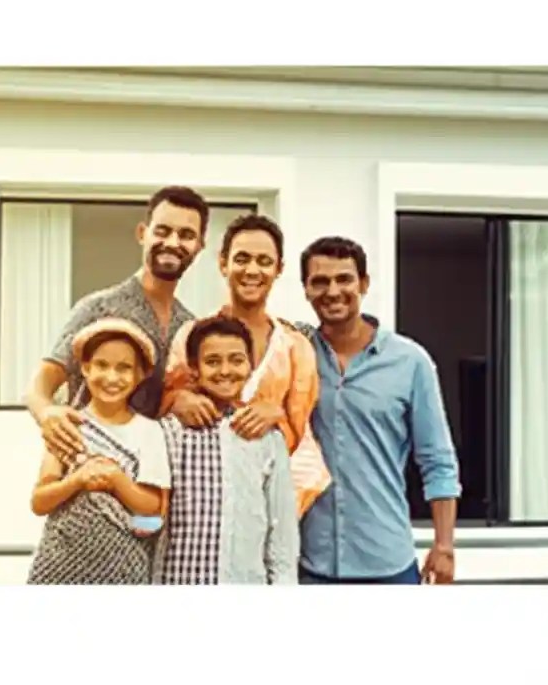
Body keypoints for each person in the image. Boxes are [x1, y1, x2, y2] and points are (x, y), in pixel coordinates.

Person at [295, 236, 461, 585]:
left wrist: (444, 546)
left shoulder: (410, 362)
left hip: (387, 563)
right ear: (306, 289)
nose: (333, 290)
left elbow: (437, 461)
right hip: (309, 563)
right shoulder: (295, 355)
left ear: (364, 284)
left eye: (344, 279)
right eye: (320, 281)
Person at [161, 213, 331, 518]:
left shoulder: (295, 347)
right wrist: (177, 399)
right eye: (242, 258)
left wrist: (275, 414)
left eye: (264, 261)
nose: (252, 270)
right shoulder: (191, 336)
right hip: (200, 504)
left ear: (279, 269)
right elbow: (162, 407)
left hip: (271, 505)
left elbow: (298, 424)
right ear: (223, 263)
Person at [25, 185, 209, 465]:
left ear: (200, 246)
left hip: (151, 484)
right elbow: (43, 381)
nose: (172, 242)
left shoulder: (190, 330)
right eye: (162, 231)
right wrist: (47, 412)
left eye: (186, 235)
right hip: (88, 474)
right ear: (142, 234)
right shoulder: (98, 308)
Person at [154, 316, 299, 585]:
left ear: (251, 366)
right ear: (194, 369)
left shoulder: (266, 438)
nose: (225, 370)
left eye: (236, 360)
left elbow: (282, 533)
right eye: (212, 362)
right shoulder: (169, 432)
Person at [27, 318, 172, 584]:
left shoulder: (150, 432)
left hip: (123, 565)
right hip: (62, 562)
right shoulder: (68, 425)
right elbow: (39, 501)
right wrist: (77, 480)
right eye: (101, 365)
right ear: (85, 368)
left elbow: (153, 508)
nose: (112, 377)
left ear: (139, 376)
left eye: (124, 368)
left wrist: (116, 480)